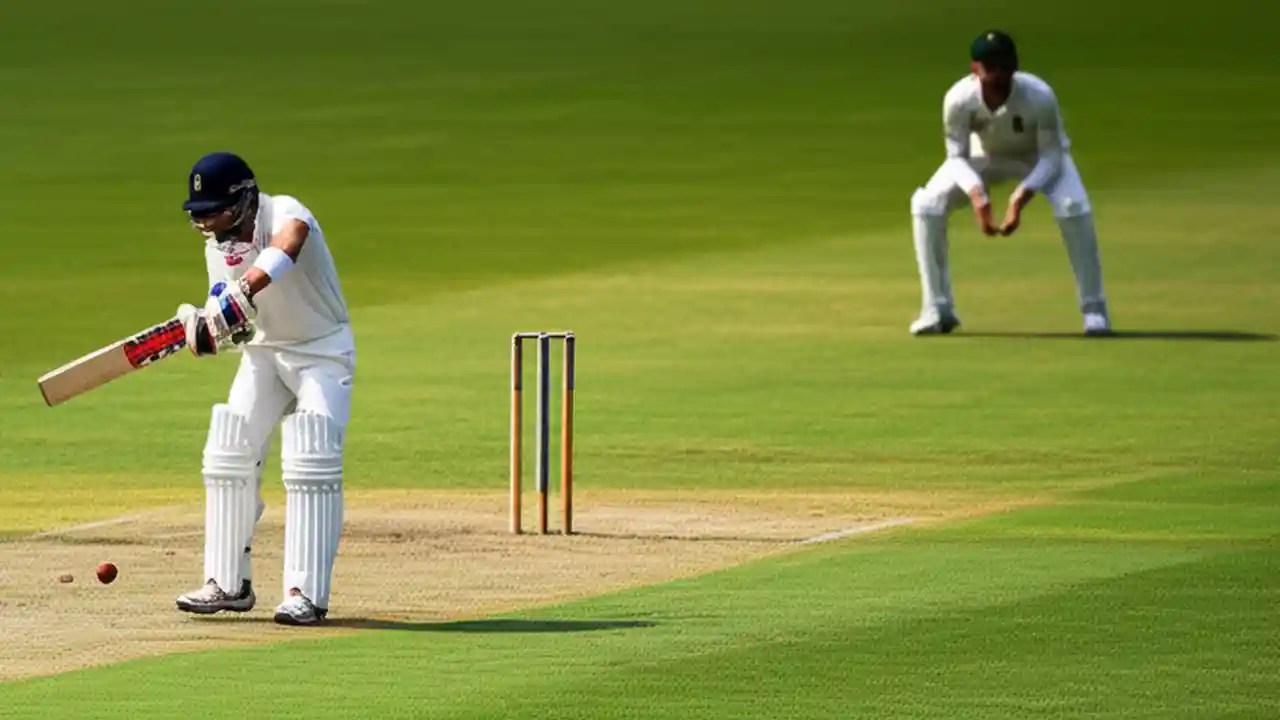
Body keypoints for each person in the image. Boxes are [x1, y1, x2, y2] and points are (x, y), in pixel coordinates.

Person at [173, 151, 355, 626]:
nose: (209, 222)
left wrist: (245, 287)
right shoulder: (217, 249)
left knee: (312, 458)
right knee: (228, 449)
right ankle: (227, 583)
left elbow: (287, 248)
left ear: (246, 197)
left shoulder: (286, 212)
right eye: (200, 214)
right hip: (264, 354)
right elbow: (232, 320)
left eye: (214, 209)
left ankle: (305, 594)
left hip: (322, 351)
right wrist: (207, 330)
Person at [908, 30, 1111, 336]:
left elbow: (1053, 155)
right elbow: (955, 157)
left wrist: (1019, 198)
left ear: (1016, 64)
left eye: (1005, 65)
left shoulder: (1039, 95)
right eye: (991, 67)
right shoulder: (958, 100)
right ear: (975, 68)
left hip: (1037, 159)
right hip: (985, 158)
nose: (999, 74)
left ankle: (1094, 311)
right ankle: (937, 309)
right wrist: (979, 197)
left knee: (1073, 206)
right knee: (926, 204)